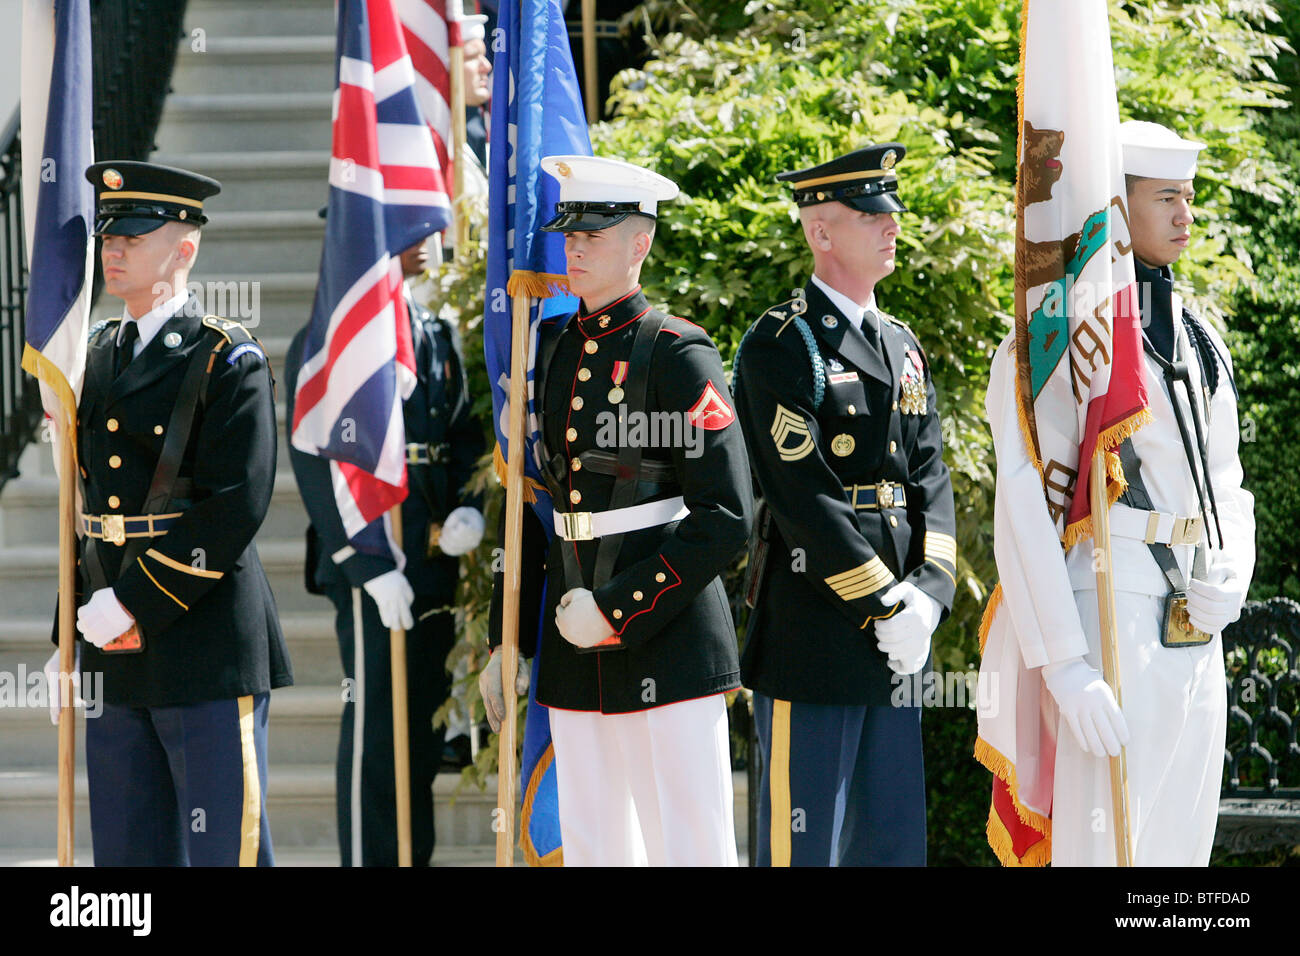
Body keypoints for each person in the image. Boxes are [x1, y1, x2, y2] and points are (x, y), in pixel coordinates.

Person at [981, 120, 1255, 865]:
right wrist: (1064, 663)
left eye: (1189, 198)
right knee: (1106, 847)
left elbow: (1227, 480)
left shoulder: (1198, 335)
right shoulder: (1054, 340)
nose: (1185, 216)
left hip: (1197, 617)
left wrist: (1234, 570)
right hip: (1110, 607)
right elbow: (1022, 506)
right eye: (1165, 198)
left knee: (1180, 844)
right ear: (1115, 208)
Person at [480, 155, 753, 866]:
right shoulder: (552, 347)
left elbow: (726, 515)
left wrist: (618, 609)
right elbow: (541, 505)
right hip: (574, 646)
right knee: (598, 848)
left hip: (666, 635)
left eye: (595, 234)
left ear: (641, 243)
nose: (574, 247)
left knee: (687, 846)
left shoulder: (677, 351)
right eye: (569, 233)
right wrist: (506, 640)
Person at [52, 160, 291, 866]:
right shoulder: (93, 353)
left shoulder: (227, 357)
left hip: (203, 642)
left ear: (184, 248)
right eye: (109, 236)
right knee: (128, 861)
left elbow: (234, 503)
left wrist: (128, 603)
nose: (114, 250)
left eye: (134, 235)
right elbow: (83, 500)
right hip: (111, 648)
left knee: (224, 850)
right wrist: (68, 623)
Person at [731, 144, 957, 866]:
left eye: (891, 213)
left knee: (889, 845)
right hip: (814, 632)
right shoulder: (781, 343)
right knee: (805, 848)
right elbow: (803, 499)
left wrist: (928, 596)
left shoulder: (900, 344)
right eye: (869, 216)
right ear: (819, 233)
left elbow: (931, 477)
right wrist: (884, 604)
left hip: (899, 644)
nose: (891, 227)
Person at [284, 223, 485, 867]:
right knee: (375, 732)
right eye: (409, 227)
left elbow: (463, 435)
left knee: (418, 734)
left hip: (427, 555)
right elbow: (317, 460)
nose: (429, 238)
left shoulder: (430, 330)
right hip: (373, 558)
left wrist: (469, 509)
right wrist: (365, 564)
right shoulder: (327, 341)